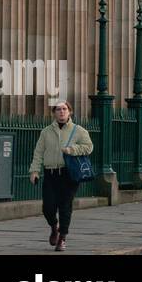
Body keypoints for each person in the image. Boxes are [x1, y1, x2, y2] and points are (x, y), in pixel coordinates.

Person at [28, 99, 93, 252]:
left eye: (64, 109)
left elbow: (89, 147)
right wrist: (34, 171)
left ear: (69, 111)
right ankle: (54, 227)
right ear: (54, 113)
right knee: (48, 207)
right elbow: (38, 153)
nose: (61, 112)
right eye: (58, 109)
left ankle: (62, 238)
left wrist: (72, 149)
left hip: (68, 174)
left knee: (65, 206)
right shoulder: (46, 131)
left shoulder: (79, 131)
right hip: (50, 173)